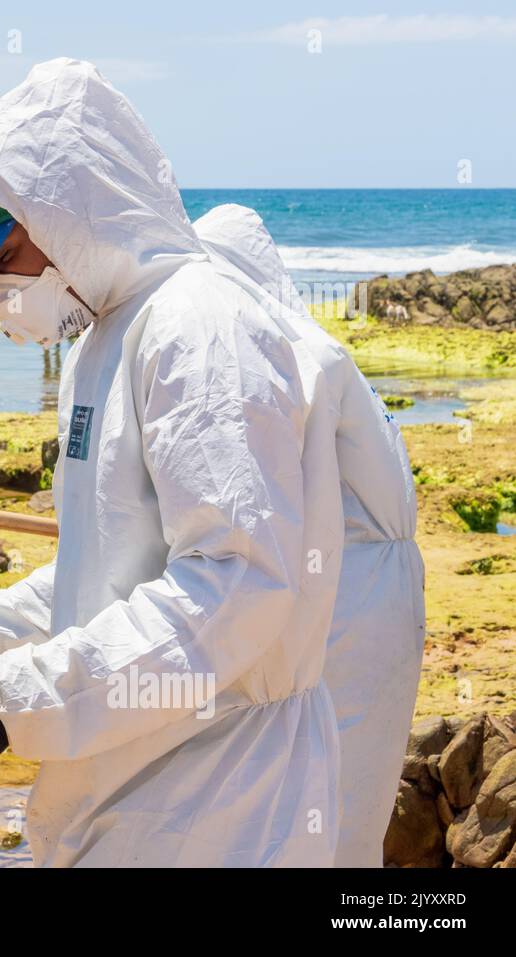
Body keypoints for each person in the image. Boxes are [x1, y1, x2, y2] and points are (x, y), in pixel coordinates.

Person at [0, 59, 347, 867]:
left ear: (69, 213)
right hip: (121, 786)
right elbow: (96, 576)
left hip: (217, 798)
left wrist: (15, 700)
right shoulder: (103, 344)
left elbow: (235, 587)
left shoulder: (199, 327)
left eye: (5, 253)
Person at [192, 203, 426, 867]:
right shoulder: (323, 350)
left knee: (326, 798)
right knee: (351, 797)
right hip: (380, 590)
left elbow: (261, 497)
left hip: (347, 598)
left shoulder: (291, 358)